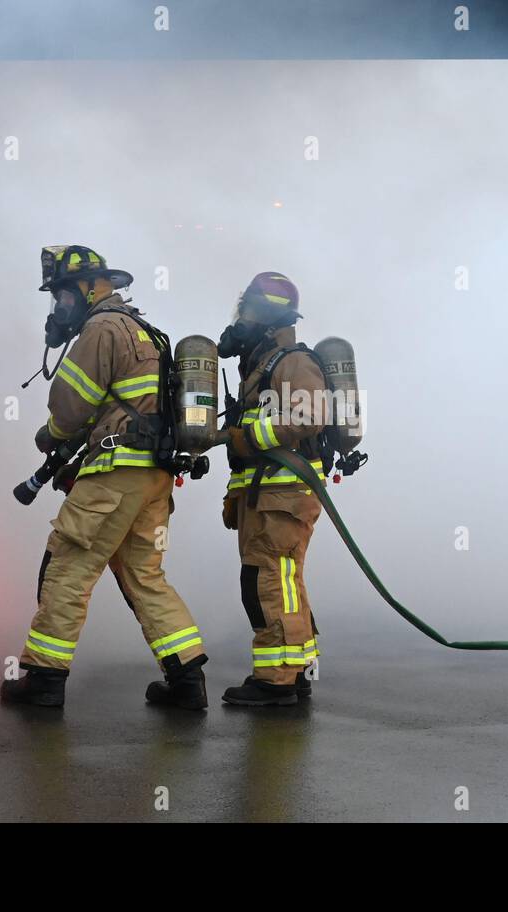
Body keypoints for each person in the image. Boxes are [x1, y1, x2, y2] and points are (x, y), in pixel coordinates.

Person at [1, 245, 208, 710]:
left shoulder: (101, 329)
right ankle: (187, 680)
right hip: (153, 478)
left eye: (63, 295)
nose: (59, 306)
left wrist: (49, 437)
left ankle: (44, 679)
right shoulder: (147, 332)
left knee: (67, 568)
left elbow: (71, 408)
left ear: (92, 287)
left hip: (114, 475)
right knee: (144, 576)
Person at [217, 272, 328, 707]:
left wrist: (248, 438)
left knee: (266, 580)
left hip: (283, 495)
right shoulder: (265, 363)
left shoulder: (292, 361)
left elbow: (310, 415)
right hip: (269, 494)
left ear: (262, 317)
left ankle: (275, 679)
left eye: (244, 311)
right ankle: (296, 670)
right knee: (283, 580)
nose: (238, 320)